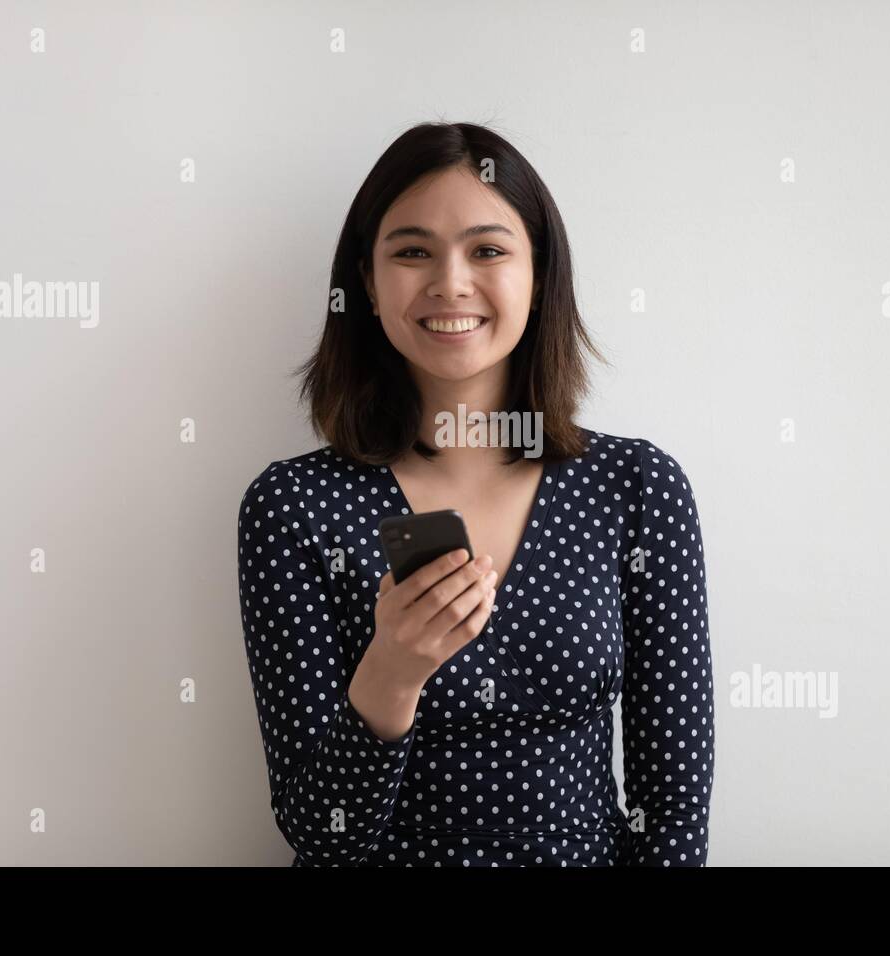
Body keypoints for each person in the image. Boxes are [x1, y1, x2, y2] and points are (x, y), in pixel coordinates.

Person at [236, 122, 714, 866]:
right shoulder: (293, 507)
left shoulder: (637, 489)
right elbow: (321, 835)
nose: (450, 283)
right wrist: (392, 673)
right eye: (411, 251)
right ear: (366, 280)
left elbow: (673, 811)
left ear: (539, 274)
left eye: (488, 250)